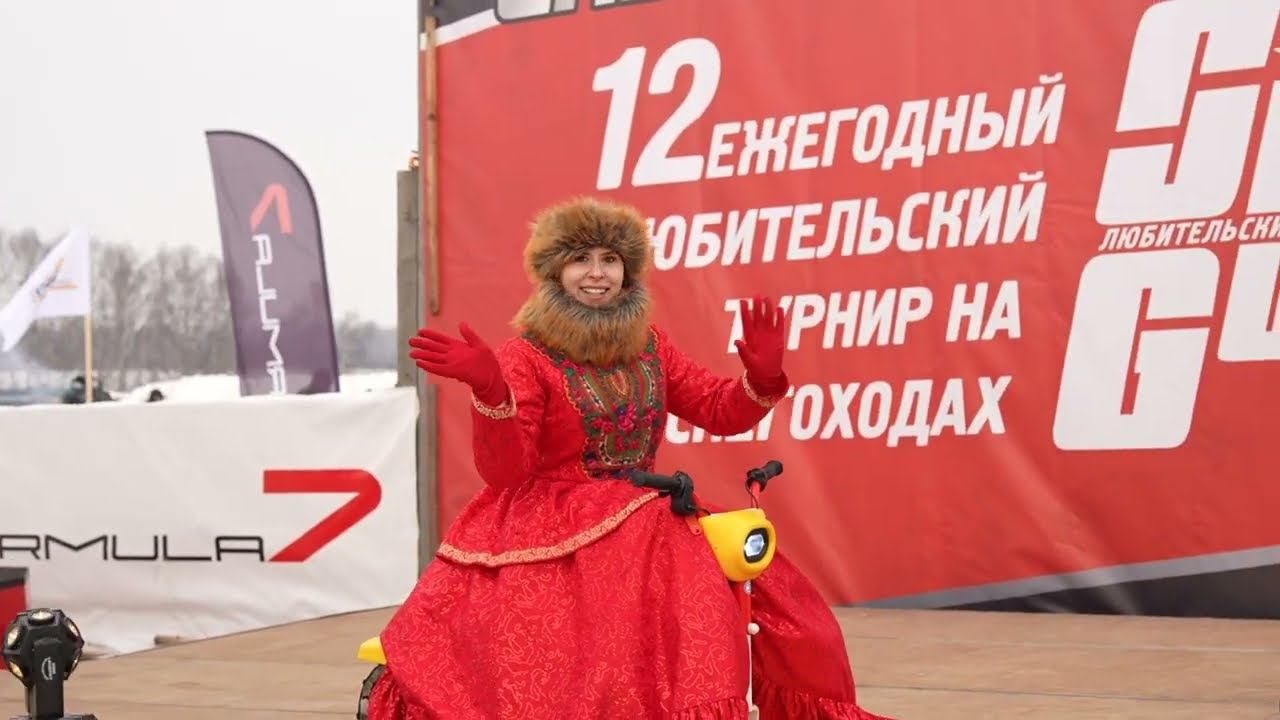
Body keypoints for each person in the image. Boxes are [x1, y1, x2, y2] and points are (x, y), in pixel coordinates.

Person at [368, 197, 893, 719]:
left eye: (610, 260)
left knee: (782, 600)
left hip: (643, 511)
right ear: (554, 272)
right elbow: (506, 472)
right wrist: (491, 392)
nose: (597, 273)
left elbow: (717, 409)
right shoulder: (525, 356)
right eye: (581, 259)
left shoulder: (651, 346)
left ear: (628, 270)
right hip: (549, 521)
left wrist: (762, 378)